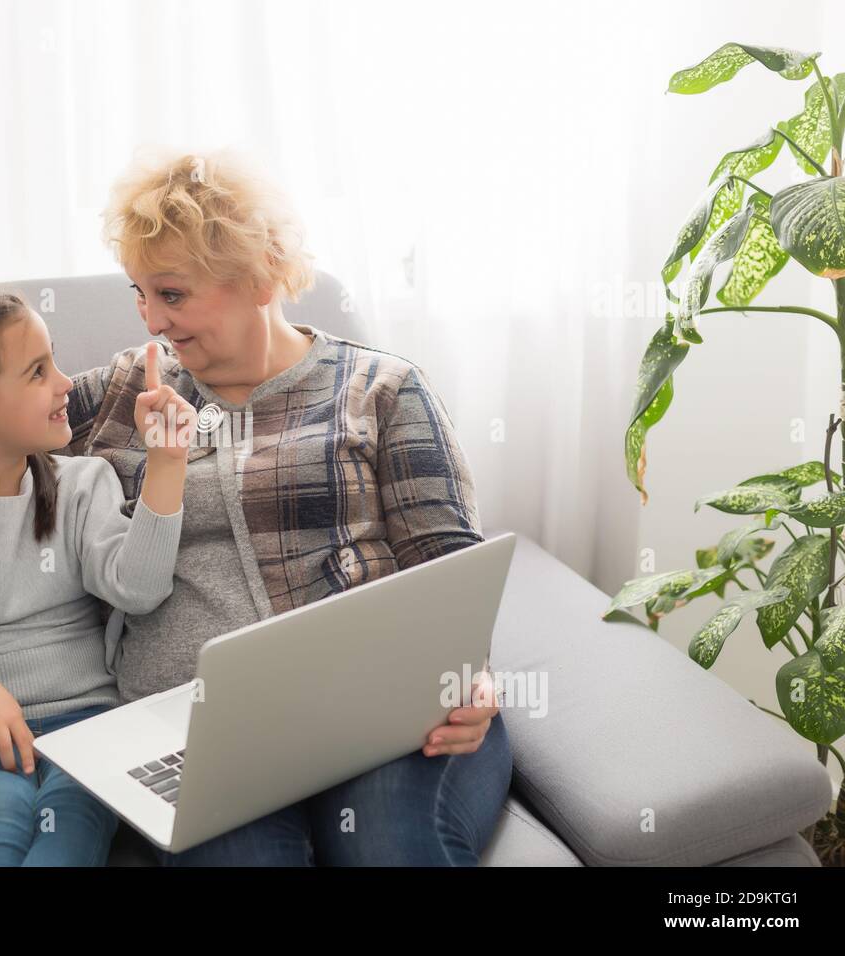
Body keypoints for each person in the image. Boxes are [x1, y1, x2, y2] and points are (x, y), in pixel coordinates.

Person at [57, 148, 512, 865]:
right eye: (139, 294)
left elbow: (450, 571)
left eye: (171, 295)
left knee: (392, 849)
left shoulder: (381, 388)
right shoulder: (124, 389)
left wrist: (471, 677)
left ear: (261, 275)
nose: (151, 321)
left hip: (380, 711)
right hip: (200, 735)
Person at [0, 294, 195, 865]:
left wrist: (167, 462)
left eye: (53, 360)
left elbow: (138, 587)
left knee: (73, 821)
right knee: (0, 820)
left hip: (93, 725)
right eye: (38, 372)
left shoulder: (83, 484)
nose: (65, 383)